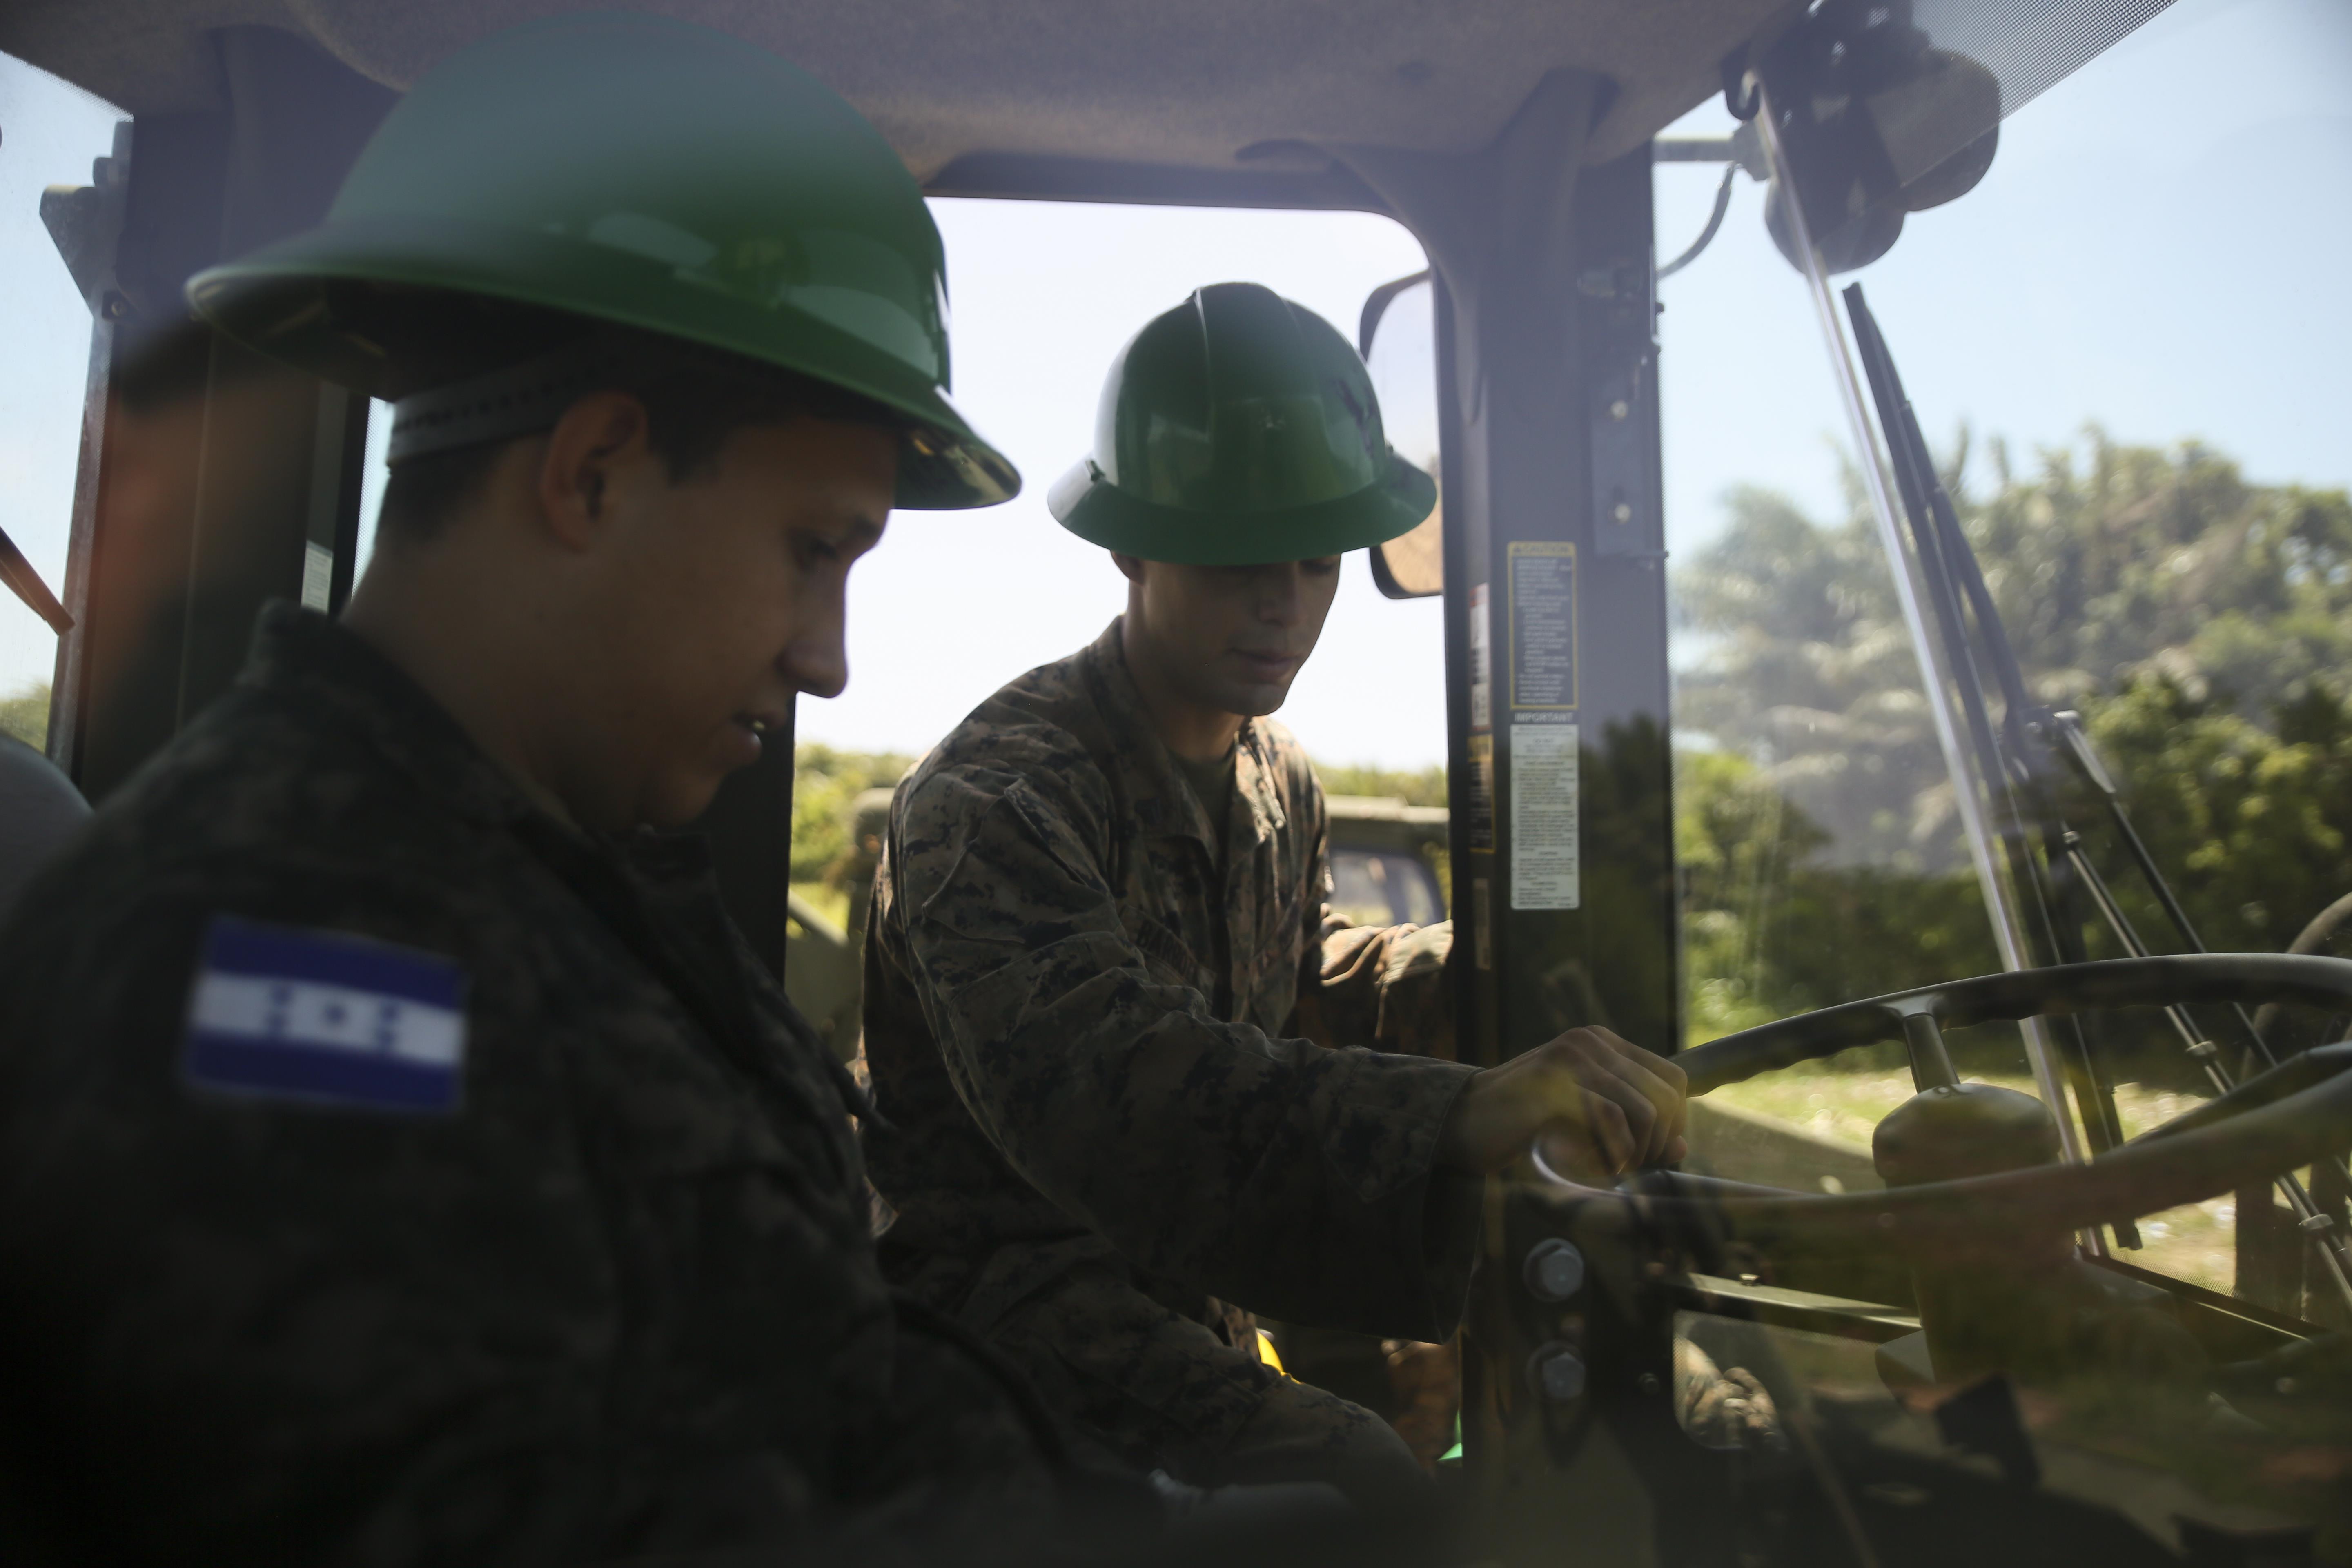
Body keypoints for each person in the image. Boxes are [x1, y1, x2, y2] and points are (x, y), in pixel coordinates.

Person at [0, 17, 1187, 1566]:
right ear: (595, 473)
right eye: (812, 553)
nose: (828, 663)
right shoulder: (266, 954)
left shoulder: (561, 885)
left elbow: (815, 1386)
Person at [861, 283, 1689, 1507]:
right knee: (1355, 1488)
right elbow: (1122, 1094)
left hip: (1197, 1290)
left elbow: (1291, 980)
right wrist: (1456, 1118)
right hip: (1002, 1317)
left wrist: (1488, 972)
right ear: (1129, 544)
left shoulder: (1274, 773)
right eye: (1243, 557)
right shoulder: (997, 801)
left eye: (1318, 560)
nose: (1285, 603)